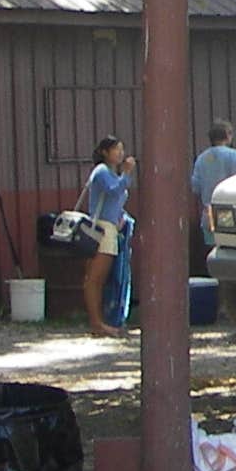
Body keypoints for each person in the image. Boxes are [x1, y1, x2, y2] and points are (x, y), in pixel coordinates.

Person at [81, 136, 135, 335]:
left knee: (102, 279)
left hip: (112, 228)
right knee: (95, 278)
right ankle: (96, 323)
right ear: (105, 152)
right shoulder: (102, 171)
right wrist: (126, 174)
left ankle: (100, 321)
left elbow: (116, 201)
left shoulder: (113, 173)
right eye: (116, 149)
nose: (120, 153)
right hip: (101, 229)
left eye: (122, 149)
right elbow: (113, 191)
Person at [189, 121, 236, 274]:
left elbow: (195, 186)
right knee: (229, 249)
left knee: (212, 250)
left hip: (208, 211)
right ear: (227, 135)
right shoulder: (234, 156)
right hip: (228, 211)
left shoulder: (202, 158)